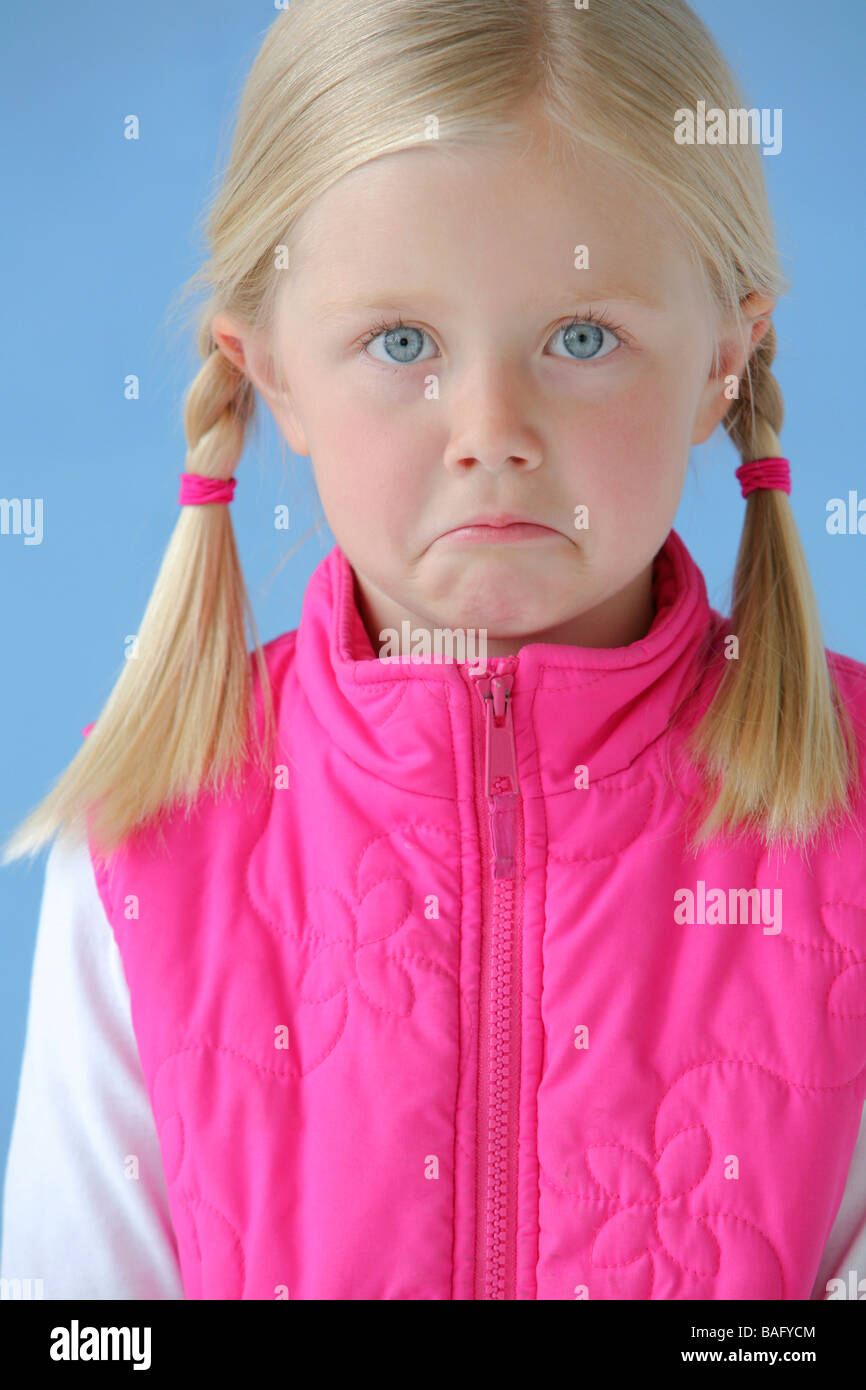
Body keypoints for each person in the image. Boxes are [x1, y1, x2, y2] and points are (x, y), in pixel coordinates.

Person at [3, 0, 866, 1300]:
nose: (488, 430)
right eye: (400, 342)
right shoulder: (142, 837)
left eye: (581, 337)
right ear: (270, 371)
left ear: (722, 364)